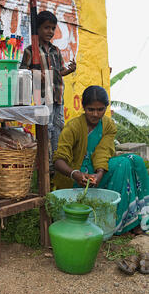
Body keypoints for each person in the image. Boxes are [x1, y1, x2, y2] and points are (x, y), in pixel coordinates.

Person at [53, 85, 149, 235]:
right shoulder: (73, 127)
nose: (96, 114)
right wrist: (76, 174)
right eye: (91, 109)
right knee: (123, 163)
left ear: (106, 108)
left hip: (98, 173)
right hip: (77, 178)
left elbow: (102, 152)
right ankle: (116, 223)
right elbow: (58, 160)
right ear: (84, 107)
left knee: (135, 160)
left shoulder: (108, 125)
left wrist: (99, 173)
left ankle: (140, 218)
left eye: (100, 109)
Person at [20, 10, 76, 157]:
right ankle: (46, 164)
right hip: (42, 98)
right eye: (46, 27)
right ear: (37, 29)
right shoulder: (30, 51)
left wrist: (69, 70)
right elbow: (23, 72)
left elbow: (60, 72)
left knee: (58, 128)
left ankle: (57, 162)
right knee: (46, 130)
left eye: (52, 28)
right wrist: (36, 73)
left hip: (58, 97)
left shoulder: (55, 50)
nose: (50, 31)